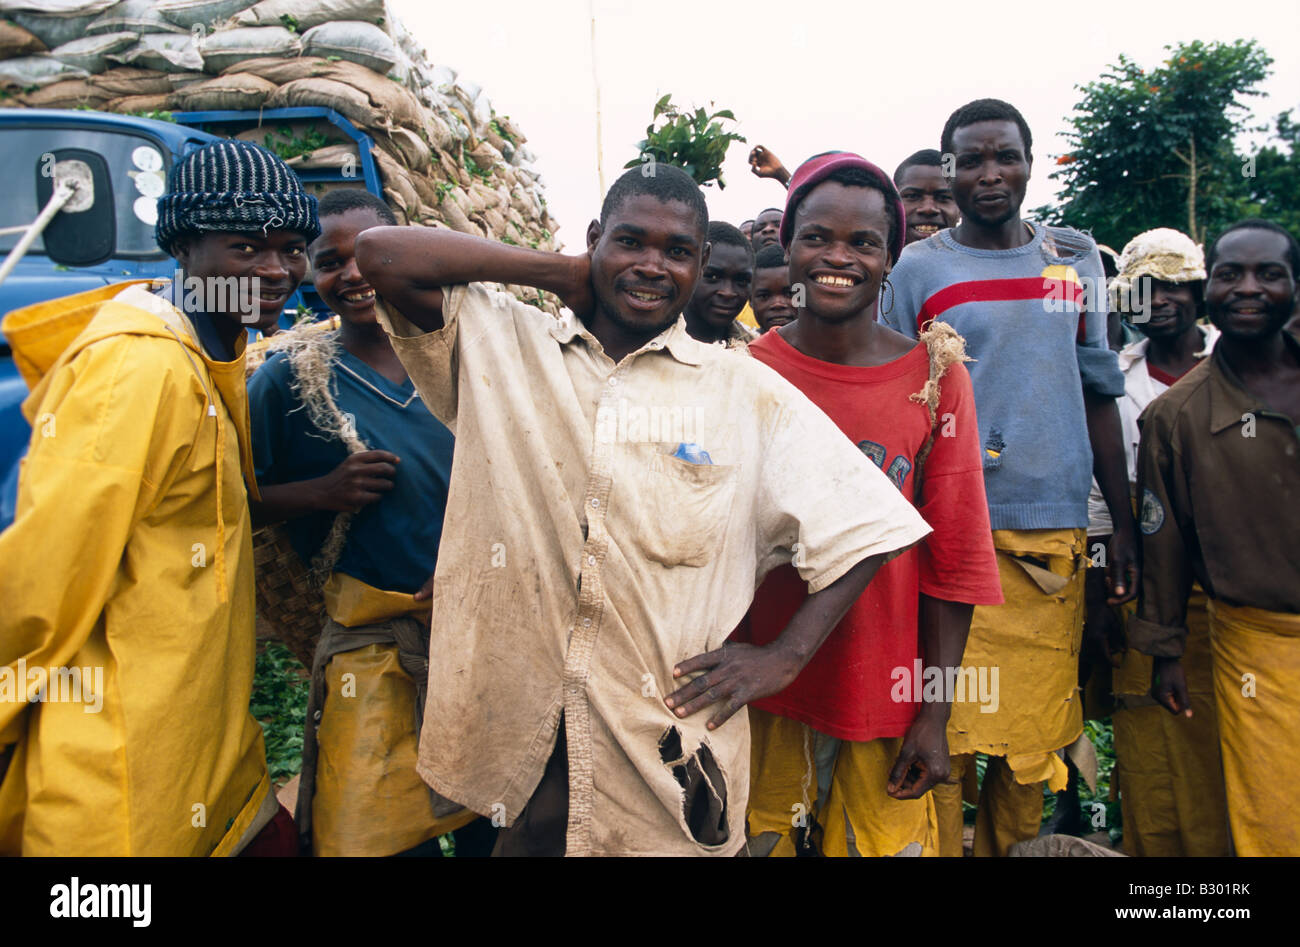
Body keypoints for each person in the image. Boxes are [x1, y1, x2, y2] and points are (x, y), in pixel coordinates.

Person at [353, 163, 932, 856]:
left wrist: (784, 655)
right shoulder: (505, 344)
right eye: (630, 241)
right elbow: (382, 255)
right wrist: (566, 272)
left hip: (668, 743)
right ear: (592, 239)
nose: (652, 266)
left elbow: (868, 523)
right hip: (525, 727)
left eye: (678, 252)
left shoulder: (743, 391)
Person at [0, 140, 317, 855]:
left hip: (209, 759)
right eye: (245, 247)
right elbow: (42, 579)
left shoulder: (212, 354)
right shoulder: (139, 370)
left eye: (292, 248)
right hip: (120, 792)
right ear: (183, 246)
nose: (275, 271)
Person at [883, 99, 1136, 857]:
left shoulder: (1073, 258)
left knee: (1032, 742)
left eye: (1006, 156)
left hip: (1050, 541)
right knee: (943, 730)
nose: (990, 174)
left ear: (1030, 161)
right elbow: (897, 396)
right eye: (971, 160)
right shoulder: (918, 267)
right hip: (946, 530)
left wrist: (1120, 524)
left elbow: (1097, 387)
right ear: (949, 169)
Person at [737, 152, 1003, 857]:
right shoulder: (744, 374)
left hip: (883, 694)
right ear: (787, 246)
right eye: (817, 237)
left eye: (863, 243)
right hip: (758, 689)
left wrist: (935, 712)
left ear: (892, 257)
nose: (838, 257)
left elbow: (954, 561)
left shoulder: (935, 379)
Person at [247, 189, 492, 857]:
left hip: (483, 636)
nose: (353, 274)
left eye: (373, 256)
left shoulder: (465, 357)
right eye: (330, 261)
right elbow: (232, 501)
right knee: (375, 825)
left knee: (491, 812)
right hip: (374, 647)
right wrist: (320, 491)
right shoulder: (290, 379)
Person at [1134, 219, 1300, 857]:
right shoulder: (1176, 416)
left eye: (1269, 274)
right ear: (1210, 293)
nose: (1249, 288)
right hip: (1259, 645)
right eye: (1231, 275)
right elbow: (1164, 540)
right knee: (1275, 811)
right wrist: (1166, 649)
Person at [682, 221, 756, 347]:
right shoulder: (648, 343)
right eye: (713, 277)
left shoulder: (756, 352)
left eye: (741, 281)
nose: (728, 293)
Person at [893, 149, 960, 245]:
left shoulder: (982, 258)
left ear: (962, 209)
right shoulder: (869, 257)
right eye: (912, 196)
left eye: (943, 197)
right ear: (893, 204)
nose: (928, 209)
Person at [750, 245, 797, 333]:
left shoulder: (827, 343)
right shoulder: (739, 345)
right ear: (750, 300)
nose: (777, 304)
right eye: (764, 296)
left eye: (789, 294)